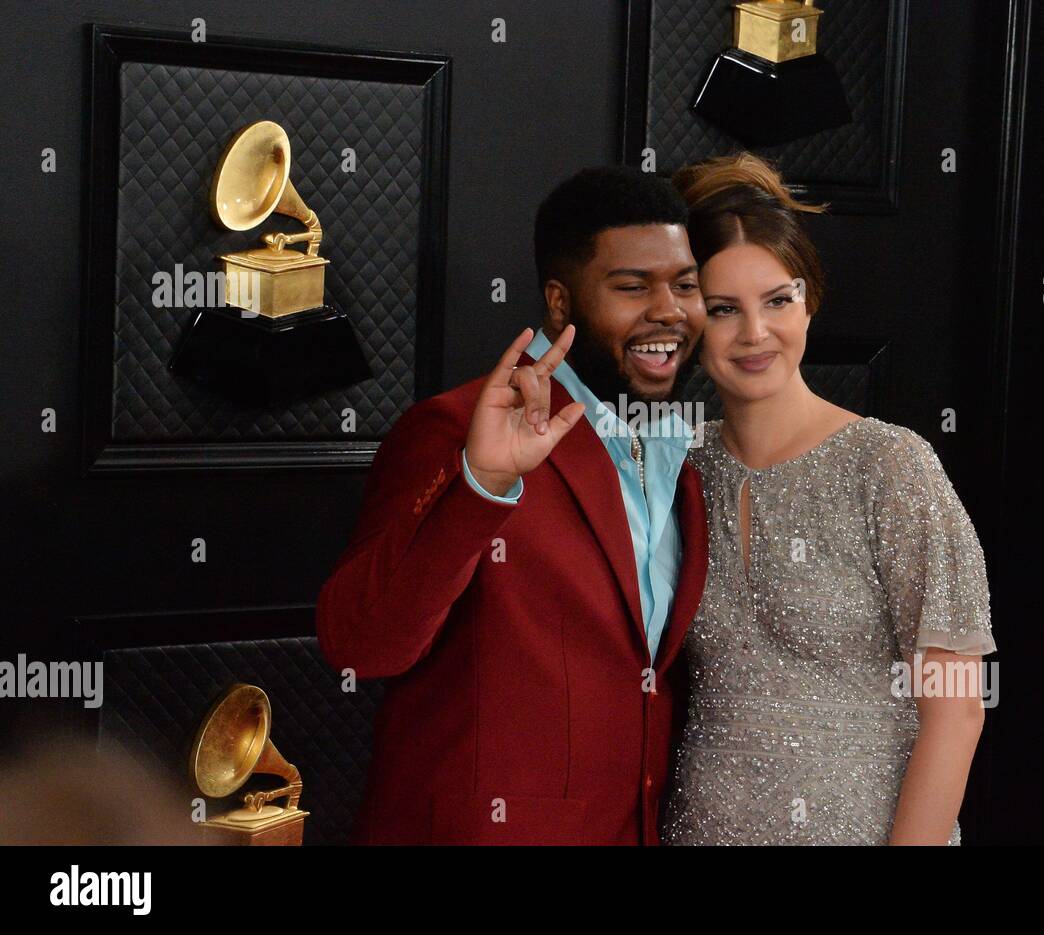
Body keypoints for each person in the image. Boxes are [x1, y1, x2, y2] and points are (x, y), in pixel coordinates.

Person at [316, 166, 709, 844]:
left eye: (685, 283)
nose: (669, 309)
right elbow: (360, 646)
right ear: (560, 302)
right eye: (631, 285)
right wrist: (481, 487)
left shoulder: (684, 459)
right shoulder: (456, 429)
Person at [659, 153, 998, 845]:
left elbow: (958, 711)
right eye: (725, 309)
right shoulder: (676, 466)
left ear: (809, 298)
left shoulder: (891, 466)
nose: (755, 333)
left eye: (777, 299)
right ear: (693, 323)